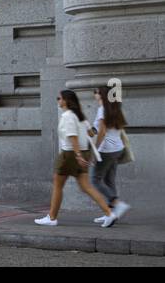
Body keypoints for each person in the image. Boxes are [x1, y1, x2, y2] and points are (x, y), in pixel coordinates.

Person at [35, 90, 115, 227]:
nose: (57, 100)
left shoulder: (67, 116)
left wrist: (77, 155)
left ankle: (52, 217)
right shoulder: (80, 116)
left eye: (59, 98)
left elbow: (73, 136)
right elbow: (91, 132)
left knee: (58, 185)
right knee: (86, 187)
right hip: (84, 153)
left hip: (70, 154)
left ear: (66, 101)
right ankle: (109, 213)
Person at [91, 86, 132, 224]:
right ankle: (110, 213)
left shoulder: (102, 110)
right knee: (109, 180)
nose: (94, 95)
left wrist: (94, 150)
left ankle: (117, 203)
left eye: (96, 92)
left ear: (102, 95)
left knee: (95, 180)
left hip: (106, 150)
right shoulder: (115, 109)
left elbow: (102, 132)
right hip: (117, 148)